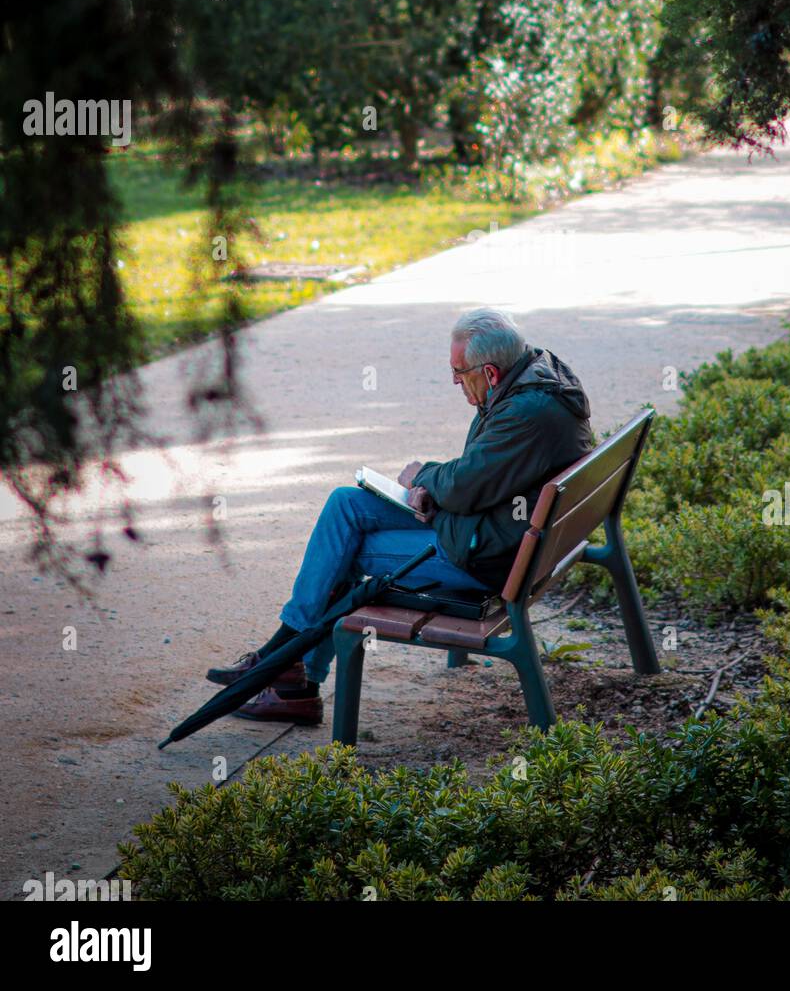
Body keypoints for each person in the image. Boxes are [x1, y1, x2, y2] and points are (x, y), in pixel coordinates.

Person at [208, 308, 595, 724]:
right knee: (346, 504)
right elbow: (483, 475)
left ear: (490, 371)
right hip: (496, 532)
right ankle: (286, 665)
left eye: (459, 372)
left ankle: (289, 673)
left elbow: (466, 486)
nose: (454, 381)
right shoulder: (534, 377)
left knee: (346, 550)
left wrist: (423, 475)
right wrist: (436, 487)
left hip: (484, 556)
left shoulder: (527, 411)